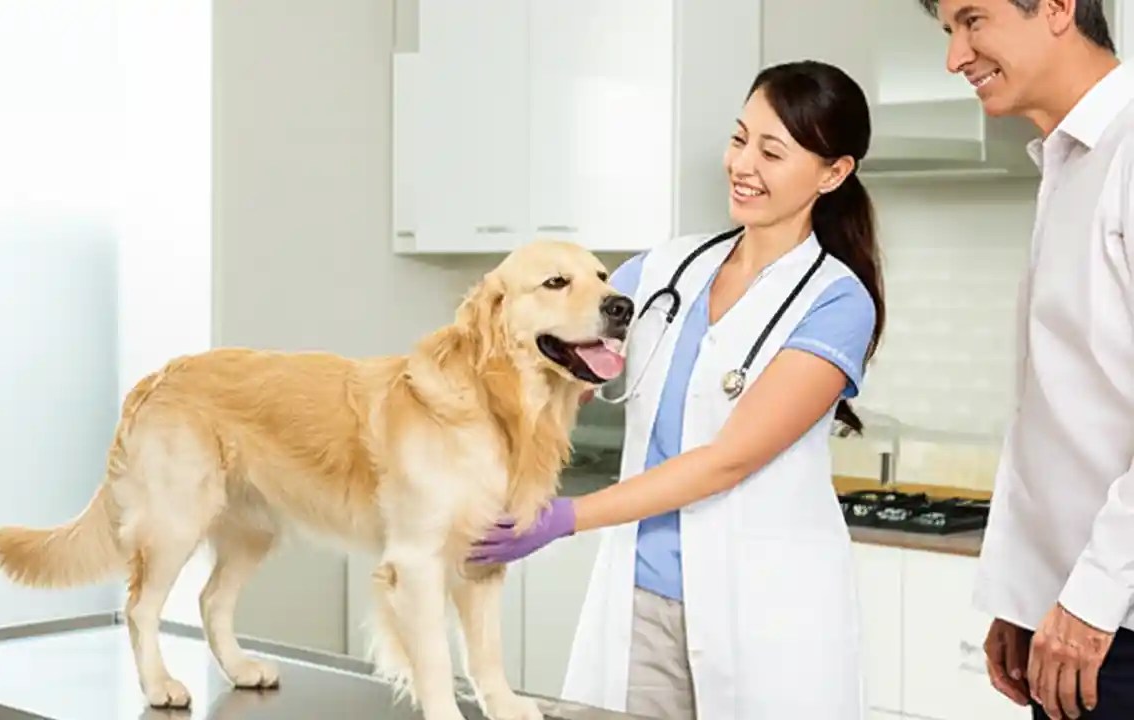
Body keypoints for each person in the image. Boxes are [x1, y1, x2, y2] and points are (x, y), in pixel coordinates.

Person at [468, 59, 884, 720]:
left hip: (766, 613)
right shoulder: (665, 269)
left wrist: (564, 518)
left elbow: (730, 459)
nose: (743, 164)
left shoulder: (836, 302)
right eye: (740, 137)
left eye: (772, 151)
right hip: (639, 601)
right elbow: (554, 367)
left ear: (832, 174)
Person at [914, 2, 1134, 719]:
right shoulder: (1068, 160)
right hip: (1075, 611)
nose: (956, 57)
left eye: (972, 20)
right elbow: (1058, 410)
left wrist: (1091, 600)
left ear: (1059, 6)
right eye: (948, 31)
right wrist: (1023, 591)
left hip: (1115, 618)